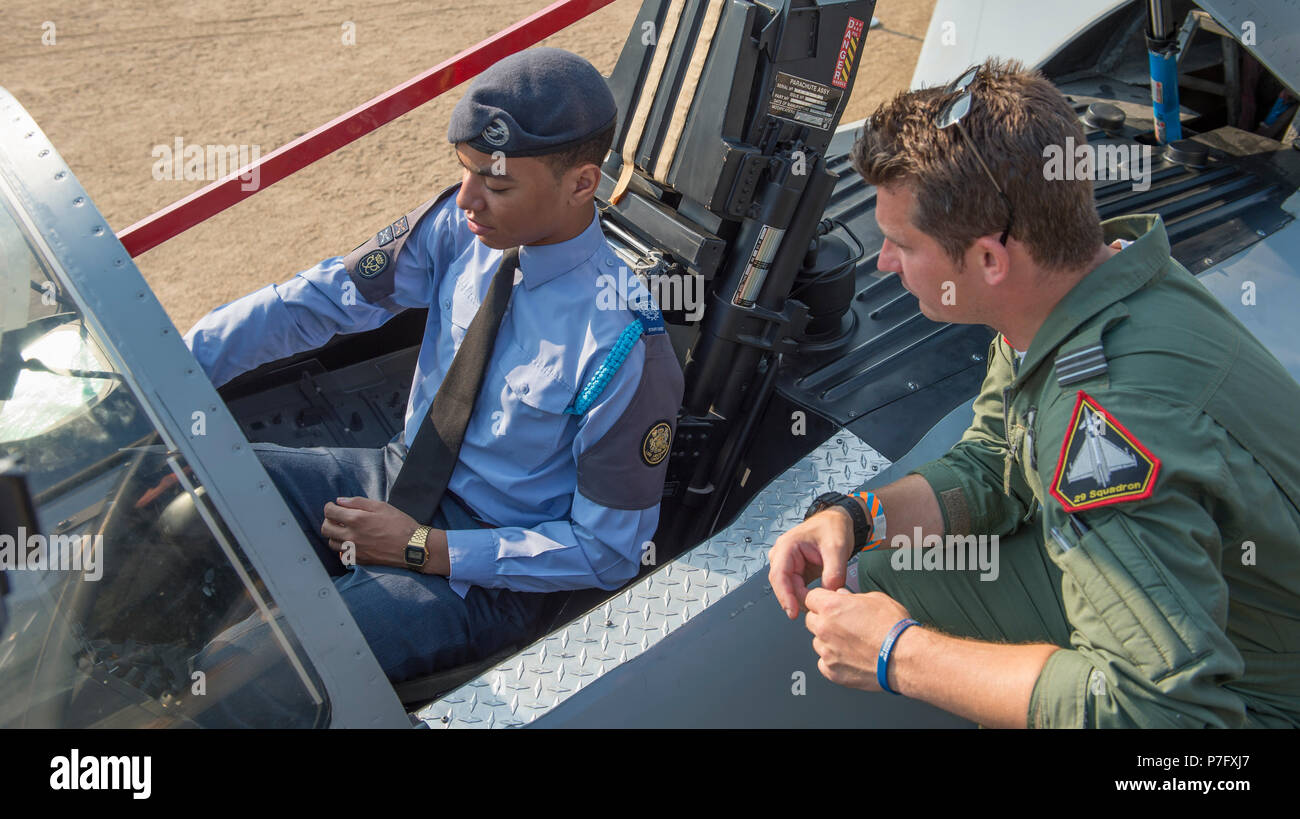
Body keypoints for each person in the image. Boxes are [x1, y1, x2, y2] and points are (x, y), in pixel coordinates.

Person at [767, 58, 1300, 728]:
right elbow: (996, 459)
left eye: (902, 243)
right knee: (876, 571)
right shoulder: (1085, 288)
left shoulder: (1104, 426)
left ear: (991, 259)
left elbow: (1169, 720)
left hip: (1257, 701)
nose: (883, 262)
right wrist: (859, 516)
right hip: (1227, 601)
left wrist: (898, 656)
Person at [185, 47, 684, 687]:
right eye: (466, 172)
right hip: (396, 473)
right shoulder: (459, 226)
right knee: (185, 496)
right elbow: (316, 301)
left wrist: (423, 548)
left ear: (581, 183)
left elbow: (608, 552)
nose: (469, 199)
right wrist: (176, 368)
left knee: (254, 675)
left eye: (497, 185)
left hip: (486, 569)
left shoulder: (622, 345)